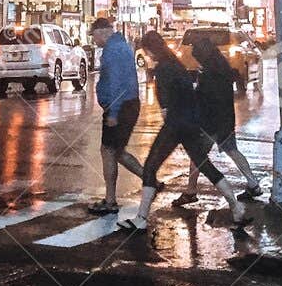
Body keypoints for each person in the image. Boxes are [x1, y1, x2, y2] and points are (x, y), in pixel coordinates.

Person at [117, 31, 250, 235]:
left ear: (150, 50)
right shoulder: (177, 64)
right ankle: (236, 207)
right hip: (191, 124)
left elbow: (166, 106)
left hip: (175, 124)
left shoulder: (163, 69)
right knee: (205, 165)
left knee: (150, 166)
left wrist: (169, 122)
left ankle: (141, 218)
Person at [175, 33, 262, 205]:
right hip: (225, 119)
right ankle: (253, 184)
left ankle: (191, 190)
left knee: (197, 154)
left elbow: (205, 97)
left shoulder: (209, 72)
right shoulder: (221, 66)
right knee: (232, 151)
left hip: (211, 123)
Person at [86, 17, 144, 215]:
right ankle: (149, 180)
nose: (94, 41)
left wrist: (113, 112)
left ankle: (111, 200)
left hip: (120, 106)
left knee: (109, 151)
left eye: (94, 36)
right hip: (126, 104)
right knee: (116, 151)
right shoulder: (121, 46)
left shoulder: (113, 50)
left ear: (102, 32)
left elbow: (117, 83)